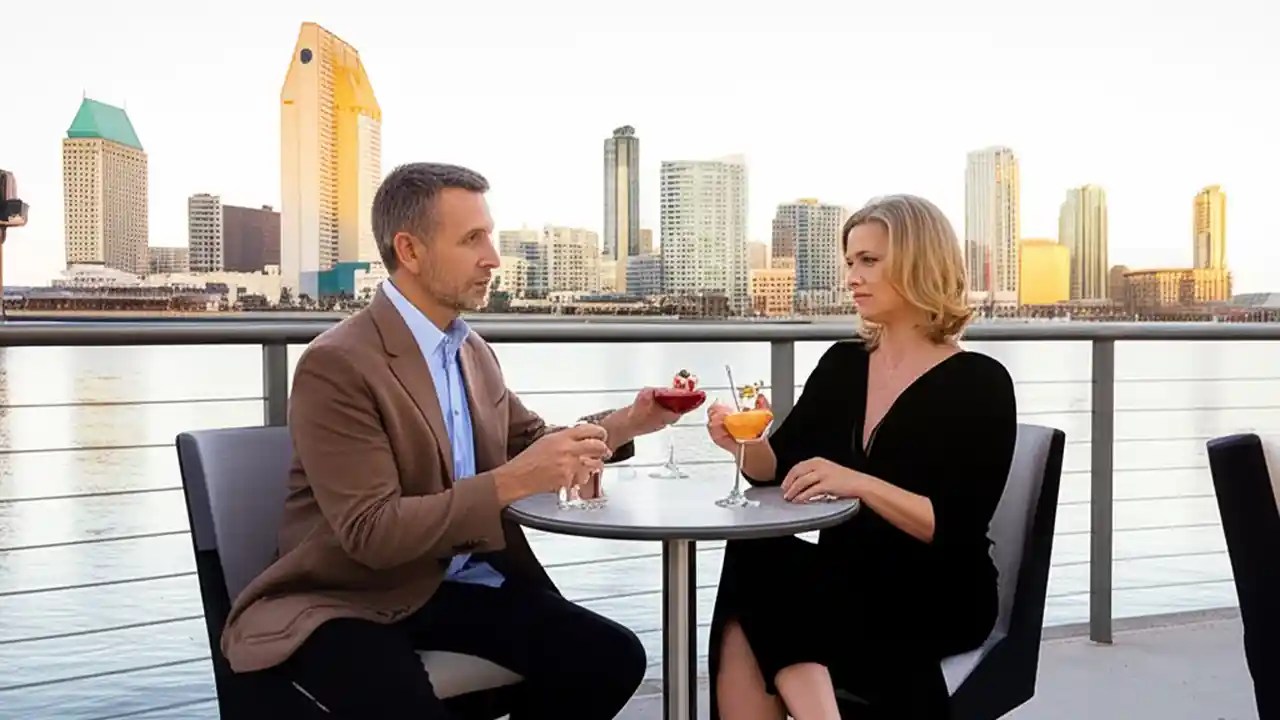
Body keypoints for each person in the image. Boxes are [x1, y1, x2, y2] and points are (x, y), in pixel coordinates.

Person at [221, 162, 703, 719]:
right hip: (346, 596)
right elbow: (372, 533)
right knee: (404, 703)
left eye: (489, 236)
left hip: (449, 584)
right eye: (472, 239)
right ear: (410, 250)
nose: (493, 257)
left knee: (609, 657)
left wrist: (627, 423)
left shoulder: (470, 350)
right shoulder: (338, 364)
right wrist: (509, 483)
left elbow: (531, 445)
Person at [704, 194, 1018, 719]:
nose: (852, 277)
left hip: (938, 591)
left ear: (919, 262)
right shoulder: (843, 365)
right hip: (849, 577)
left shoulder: (980, 382)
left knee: (765, 604)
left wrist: (858, 482)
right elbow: (776, 469)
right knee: (753, 555)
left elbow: (954, 528)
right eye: (850, 262)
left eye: (869, 261)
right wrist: (744, 443)